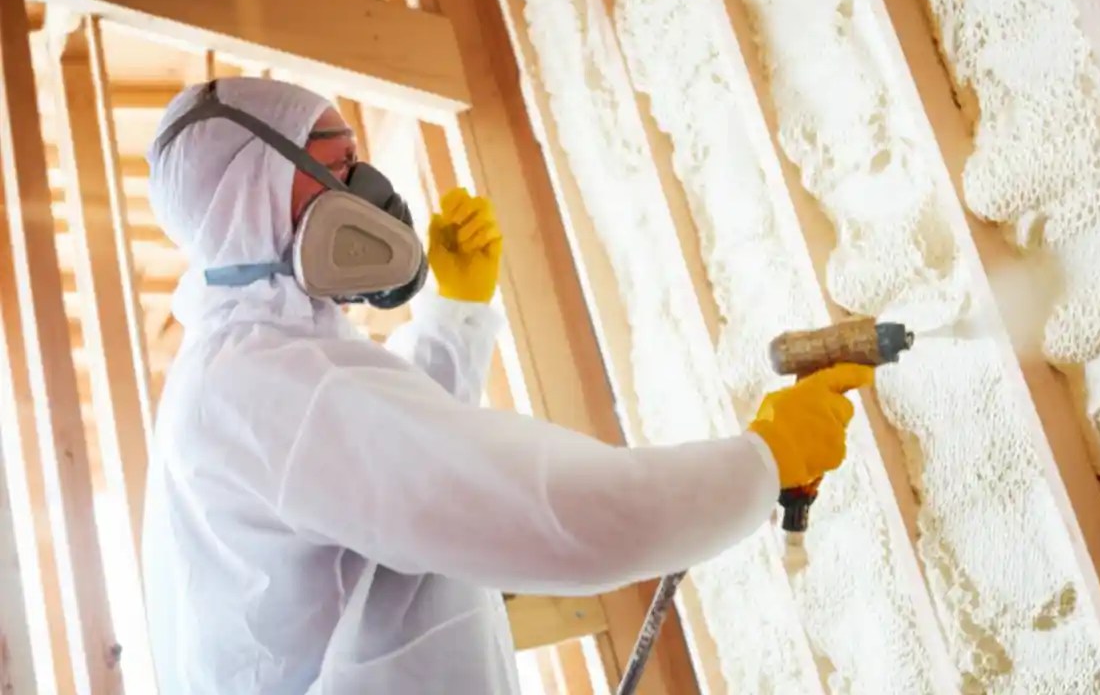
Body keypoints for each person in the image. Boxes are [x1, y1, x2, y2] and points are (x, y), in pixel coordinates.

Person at [140, 76, 872, 694]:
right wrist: (762, 462)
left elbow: (403, 480)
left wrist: (455, 315)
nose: (366, 185)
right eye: (342, 159)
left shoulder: (257, 364)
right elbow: (550, 513)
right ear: (253, 187)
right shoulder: (263, 387)